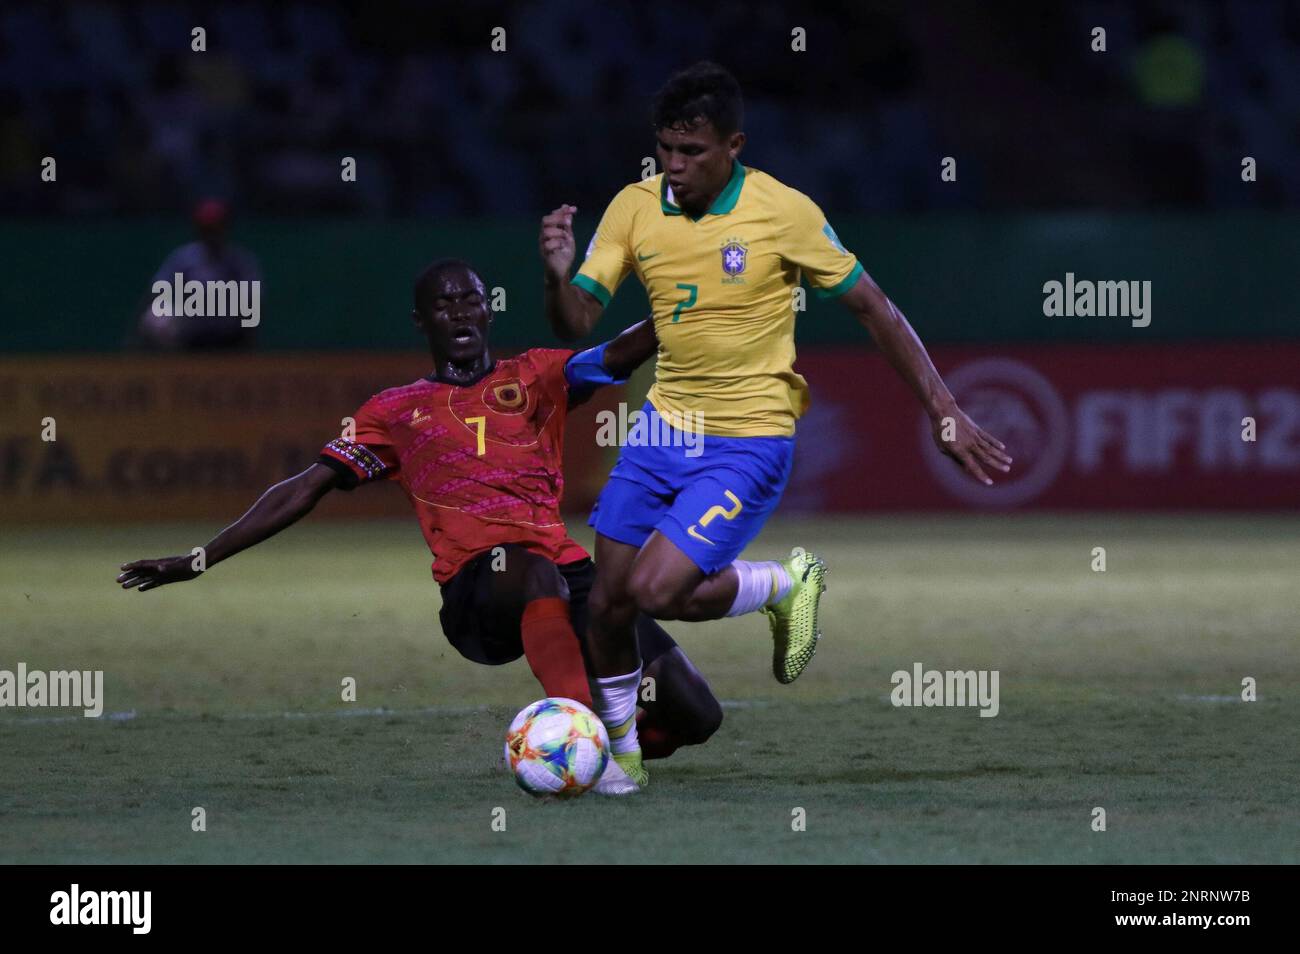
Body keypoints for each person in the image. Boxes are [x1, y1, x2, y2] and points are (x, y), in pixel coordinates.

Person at [539, 62, 1011, 789]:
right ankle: (622, 759)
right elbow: (578, 320)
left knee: (657, 593)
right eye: (665, 148)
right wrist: (558, 274)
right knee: (606, 604)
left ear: (734, 146)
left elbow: (874, 308)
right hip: (663, 429)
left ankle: (781, 586)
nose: (674, 166)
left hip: (747, 437)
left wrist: (944, 409)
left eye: (691, 152)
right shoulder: (635, 208)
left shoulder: (782, 211)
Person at [117, 259, 722, 795]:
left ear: (488, 309)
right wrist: (200, 557)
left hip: (565, 572)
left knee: (697, 713)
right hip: (477, 592)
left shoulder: (536, 376)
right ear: (421, 320)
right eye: (443, 302)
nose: (459, 310)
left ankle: (623, 735)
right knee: (531, 570)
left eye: (470, 298)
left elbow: (615, 355)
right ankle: (586, 740)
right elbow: (304, 488)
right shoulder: (393, 412)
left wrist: (689, 308)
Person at [134, 198, 262, 350]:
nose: (212, 234)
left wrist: (250, 340)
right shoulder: (185, 257)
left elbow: (253, 304)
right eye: (207, 229)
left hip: (229, 335)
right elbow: (157, 291)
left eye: (217, 228)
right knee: (156, 318)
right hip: (192, 335)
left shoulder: (239, 261)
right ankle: (168, 365)